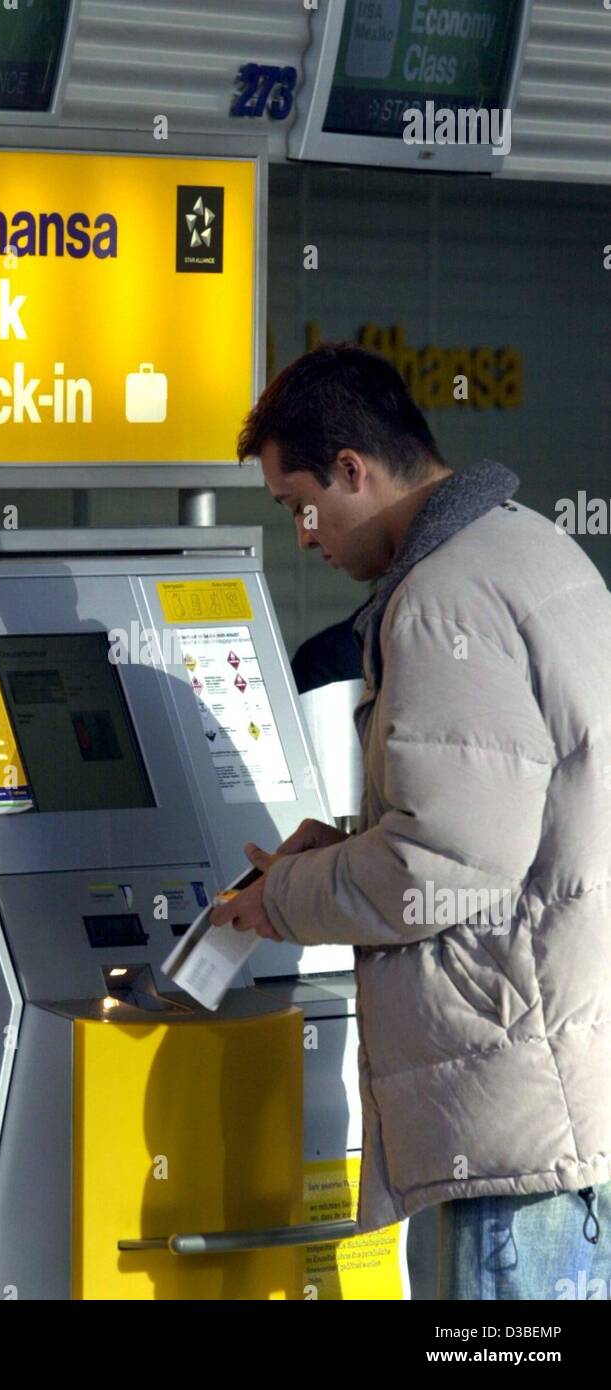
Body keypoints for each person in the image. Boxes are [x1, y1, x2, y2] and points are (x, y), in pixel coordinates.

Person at [210, 342, 611, 1300]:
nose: (302, 536)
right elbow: (518, 811)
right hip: (567, 1084)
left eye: (294, 503)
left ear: (352, 470)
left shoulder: (437, 600)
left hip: (513, 1112)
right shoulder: (529, 548)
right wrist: (349, 843)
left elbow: (446, 863)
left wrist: (284, 900)